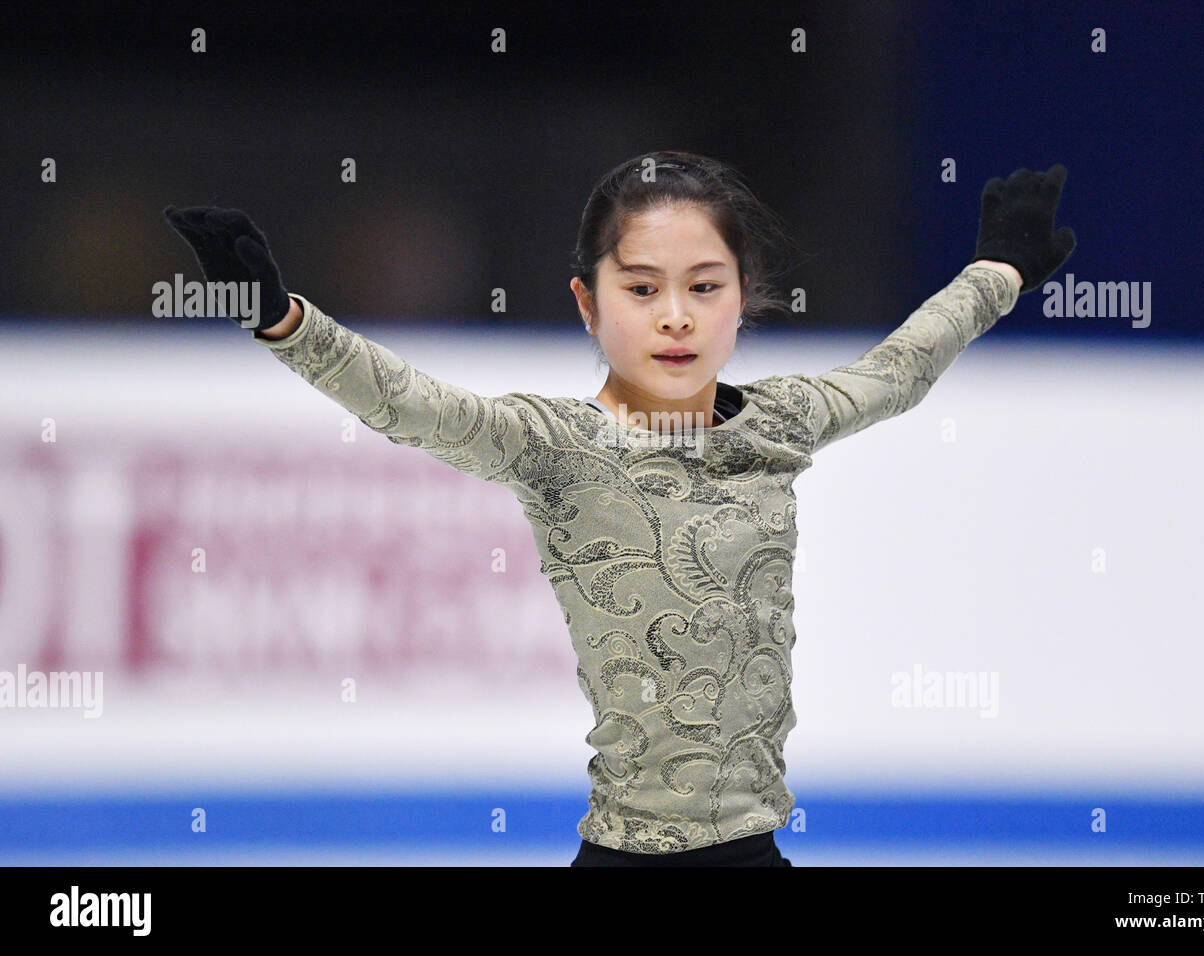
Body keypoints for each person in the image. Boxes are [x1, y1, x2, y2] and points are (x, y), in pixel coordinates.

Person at [163, 151, 1074, 867]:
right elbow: (413, 406)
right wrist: (282, 319)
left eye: (704, 286)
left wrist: (998, 270)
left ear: (743, 301)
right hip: (624, 856)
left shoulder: (783, 422)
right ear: (588, 304)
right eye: (641, 288)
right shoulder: (554, 446)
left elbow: (899, 369)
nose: (674, 315)